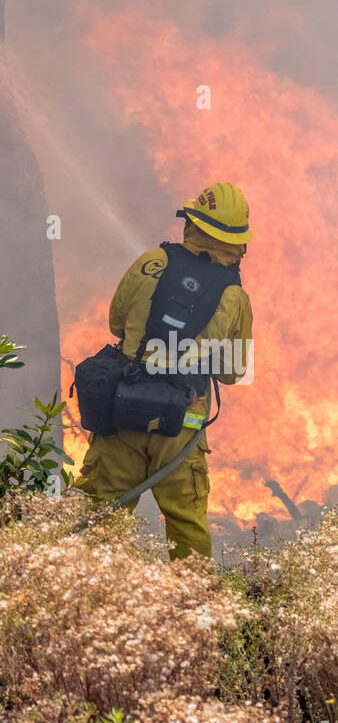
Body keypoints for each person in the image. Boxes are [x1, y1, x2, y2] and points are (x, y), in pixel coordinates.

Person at [78, 183, 253, 559]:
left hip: (122, 411)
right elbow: (232, 373)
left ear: (191, 223)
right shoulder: (235, 297)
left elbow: (115, 322)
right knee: (186, 525)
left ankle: (84, 605)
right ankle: (190, 609)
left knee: (100, 518)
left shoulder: (150, 262)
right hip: (180, 425)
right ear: (238, 240)